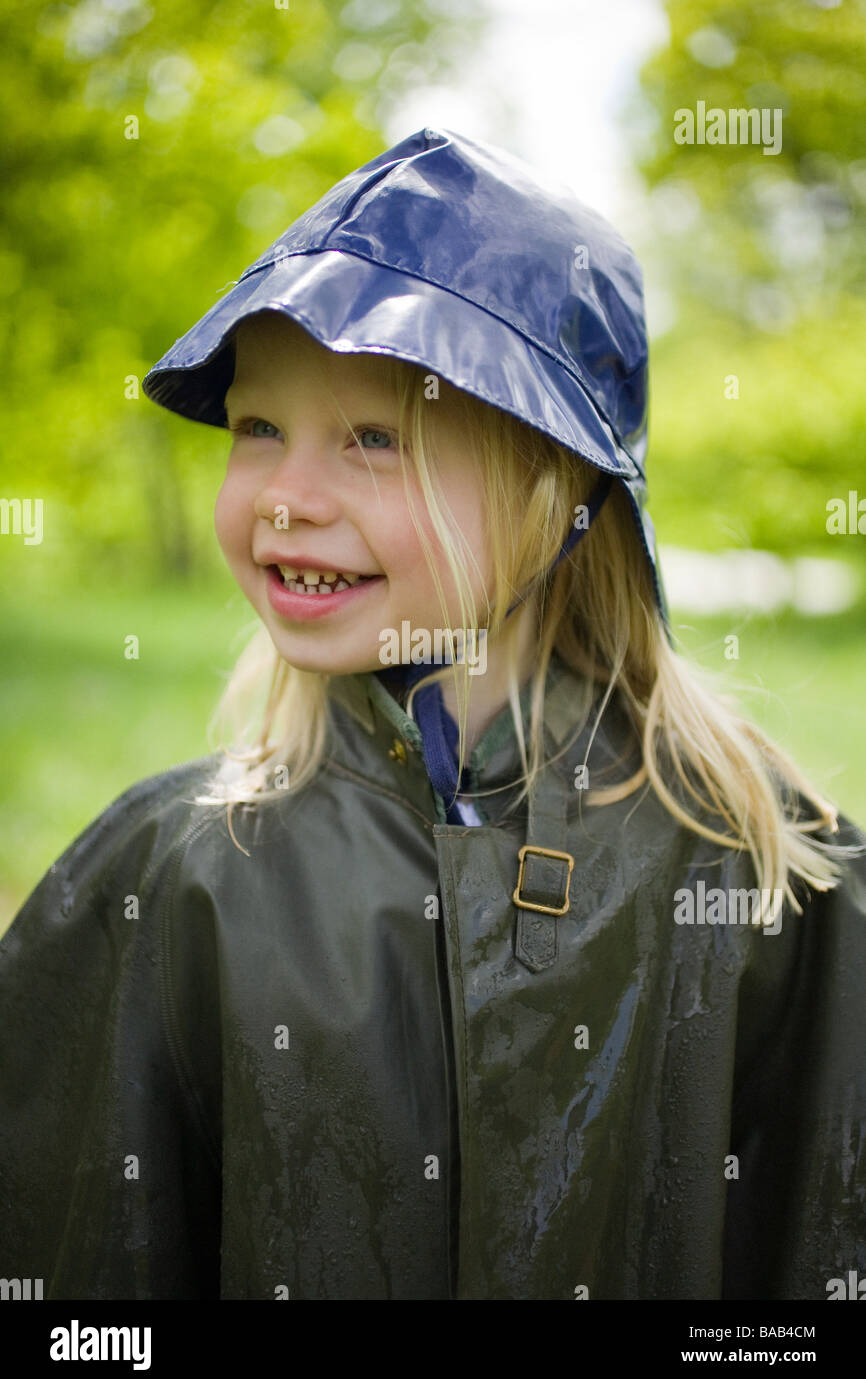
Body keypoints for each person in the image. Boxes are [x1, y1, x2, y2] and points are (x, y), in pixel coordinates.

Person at [1, 126, 864, 1301]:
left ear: (554, 485)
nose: (288, 497)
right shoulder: (176, 874)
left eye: (372, 438)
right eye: (259, 427)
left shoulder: (753, 861)